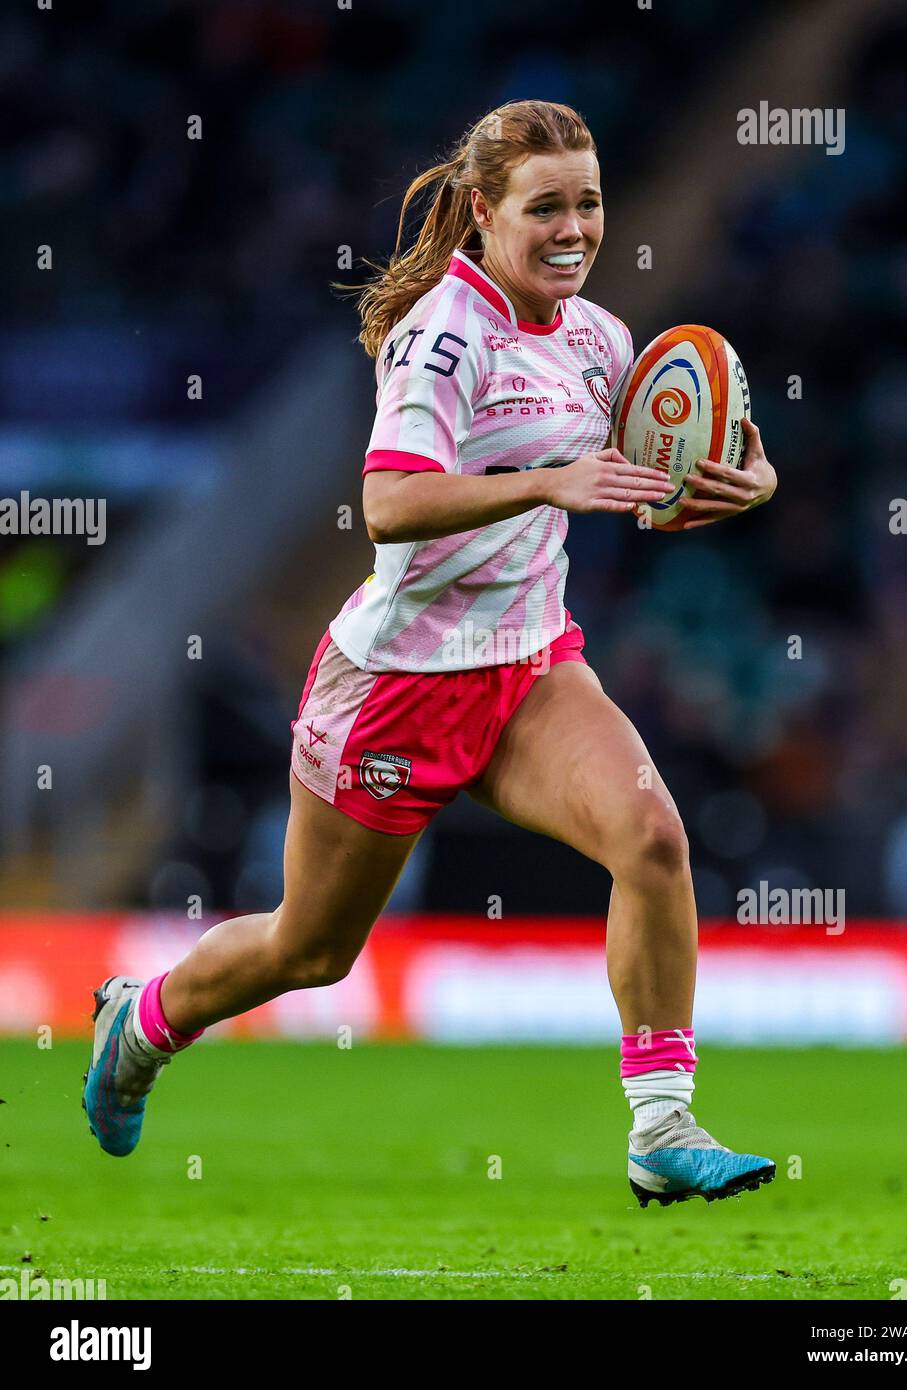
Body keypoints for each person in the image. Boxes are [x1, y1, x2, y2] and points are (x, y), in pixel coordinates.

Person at [85, 100, 778, 1208]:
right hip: (399, 688)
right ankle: (146, 1018)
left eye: (587, 203)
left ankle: (660, 1122)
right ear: (482, 213)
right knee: (310, 951)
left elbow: (654, 475)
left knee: (650, 838)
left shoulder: (598, 338)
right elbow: (387, 500)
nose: (572, 228)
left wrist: (744, 480)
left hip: (531, 668)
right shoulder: (440, 338)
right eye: (542, 206)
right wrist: (549, 482)